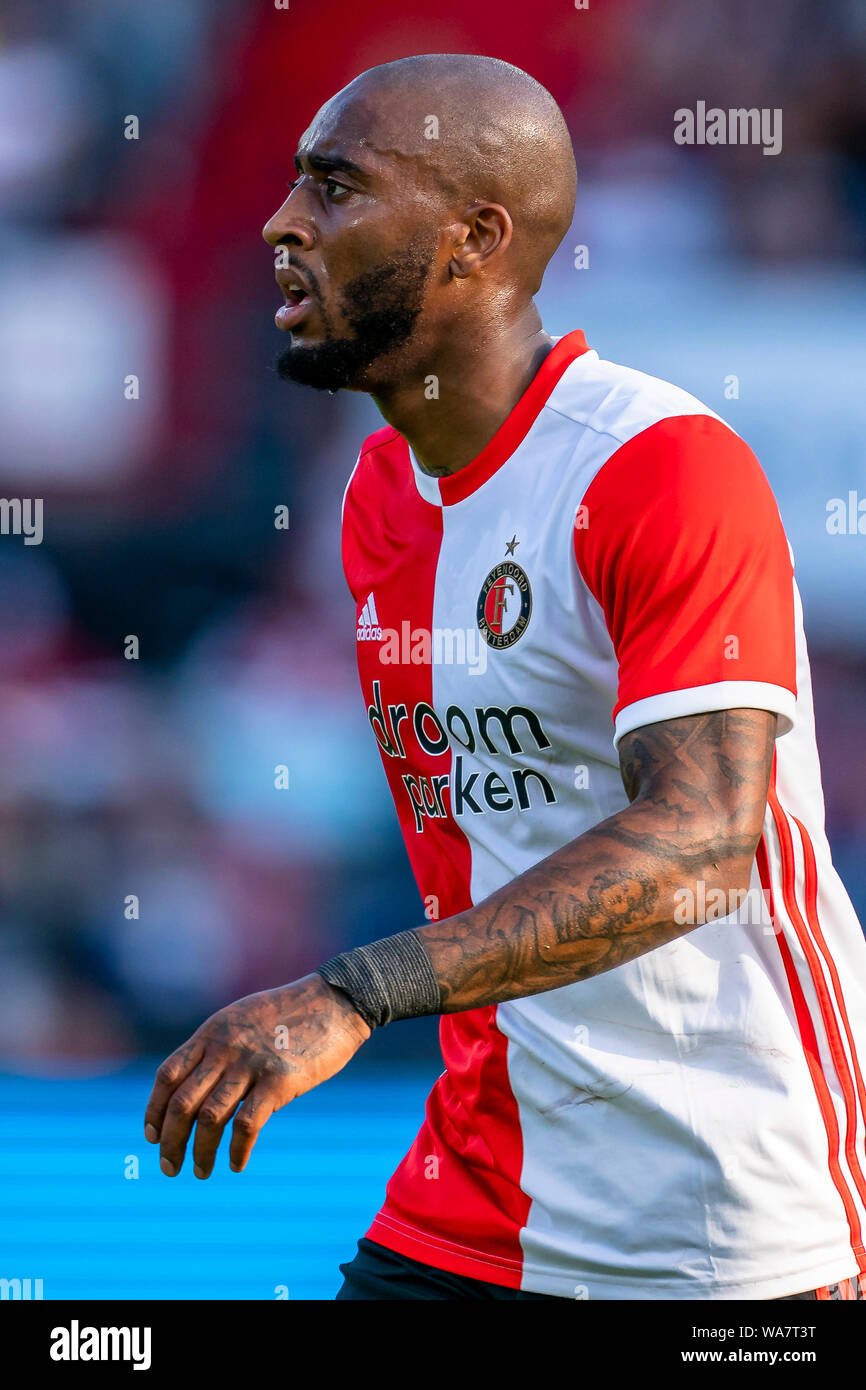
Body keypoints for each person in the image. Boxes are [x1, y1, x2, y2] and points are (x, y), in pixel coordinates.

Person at [144, 53, 866, 1301]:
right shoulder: (374, 494)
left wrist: (354, 993)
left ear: (474, 238)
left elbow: (699, 843)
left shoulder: (661, 467)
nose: (281, 222)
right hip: (475, 1186)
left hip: (716, 1214)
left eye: (336, 185)